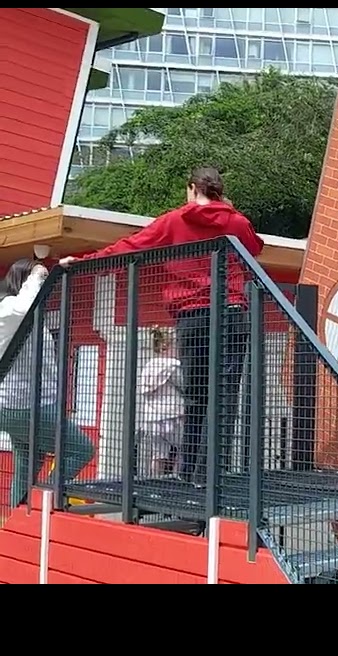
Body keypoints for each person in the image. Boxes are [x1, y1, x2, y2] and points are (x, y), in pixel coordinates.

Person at [62, 167, 264, 486]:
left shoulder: (173, 221)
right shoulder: (235, 222)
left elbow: (133, 245)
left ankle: (187, 473)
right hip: (231, 312)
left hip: (191, 315)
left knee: (197, 395)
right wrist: (231, 211)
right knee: (224, 395)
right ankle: (212, 476)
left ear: (191, 188)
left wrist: (86, 261)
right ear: (218, 191)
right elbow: (255, 248)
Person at [0, 259, 96, 508]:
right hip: (26, 404)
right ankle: (46, 498)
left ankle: (16, 516)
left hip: (19, 403)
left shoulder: (23, 316)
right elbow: (23, 307)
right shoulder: (10, 306)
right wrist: (39, 273)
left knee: (29, 459)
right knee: (81, 449)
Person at [136, 327, 184, 479]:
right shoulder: (173, 365)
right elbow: (184, 385)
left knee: (158, 454)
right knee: (183, 449)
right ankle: (179, 480)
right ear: (166, 346)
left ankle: (155, 481)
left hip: (152, 416)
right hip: (173, 414)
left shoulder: (149, 366)